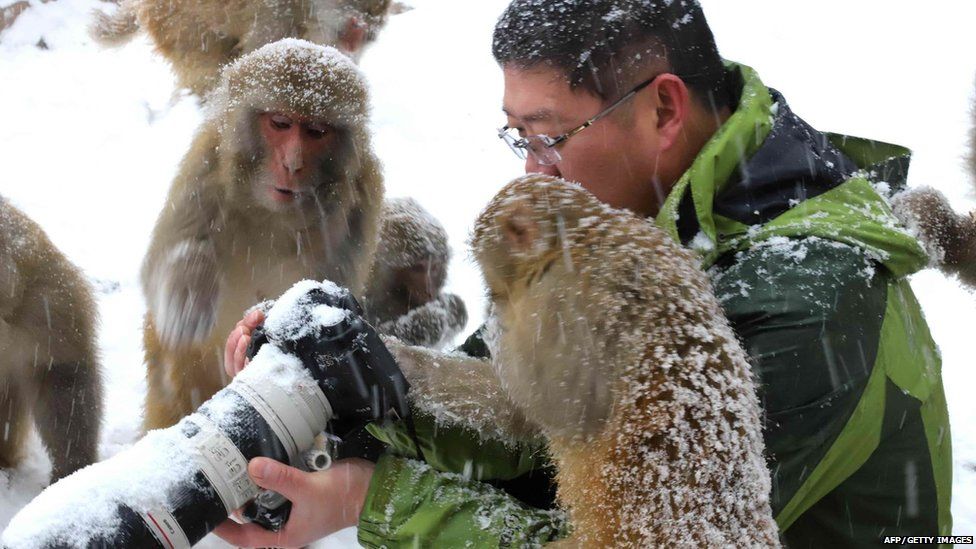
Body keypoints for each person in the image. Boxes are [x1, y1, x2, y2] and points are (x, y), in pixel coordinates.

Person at [215, 1, 953, 547]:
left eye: (548, 136)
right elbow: (521, 407)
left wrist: (371, 501)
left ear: (663, 106)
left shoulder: (807, 307)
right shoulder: (613, 218)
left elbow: (587, 516)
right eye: (518, 137)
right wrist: (357, 380)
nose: (535, 168)